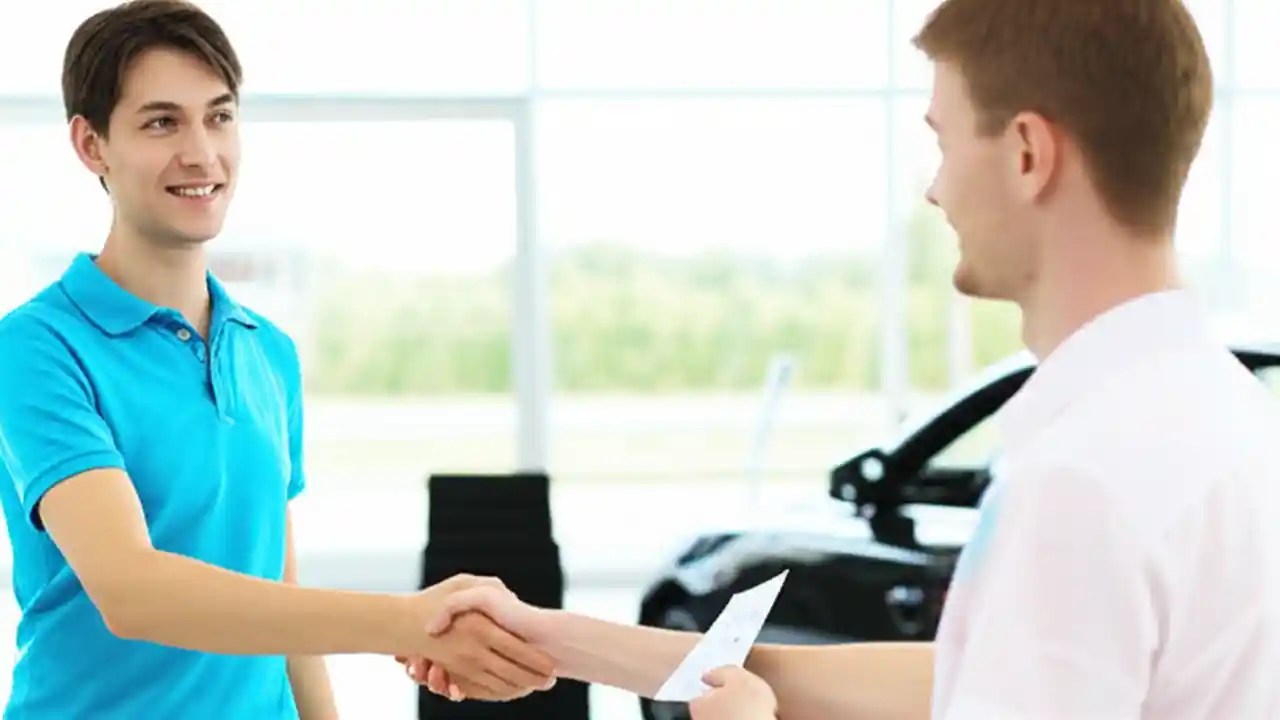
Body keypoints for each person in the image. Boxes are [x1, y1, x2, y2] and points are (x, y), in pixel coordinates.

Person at [403, 0, 1280, 717]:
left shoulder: (1079, 475)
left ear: (1025, 154)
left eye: (943, 141)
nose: (935, 188)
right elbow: (960, 677)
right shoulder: (1216, 410)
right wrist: (548, 639)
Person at [0, 2, 553, 718]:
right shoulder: (37, 347)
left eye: (220, 116)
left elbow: (279, 598)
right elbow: (131, 591)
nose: (202, 153)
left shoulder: (267, 353)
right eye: (162, 122)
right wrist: (407, 622)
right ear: (91, 144)